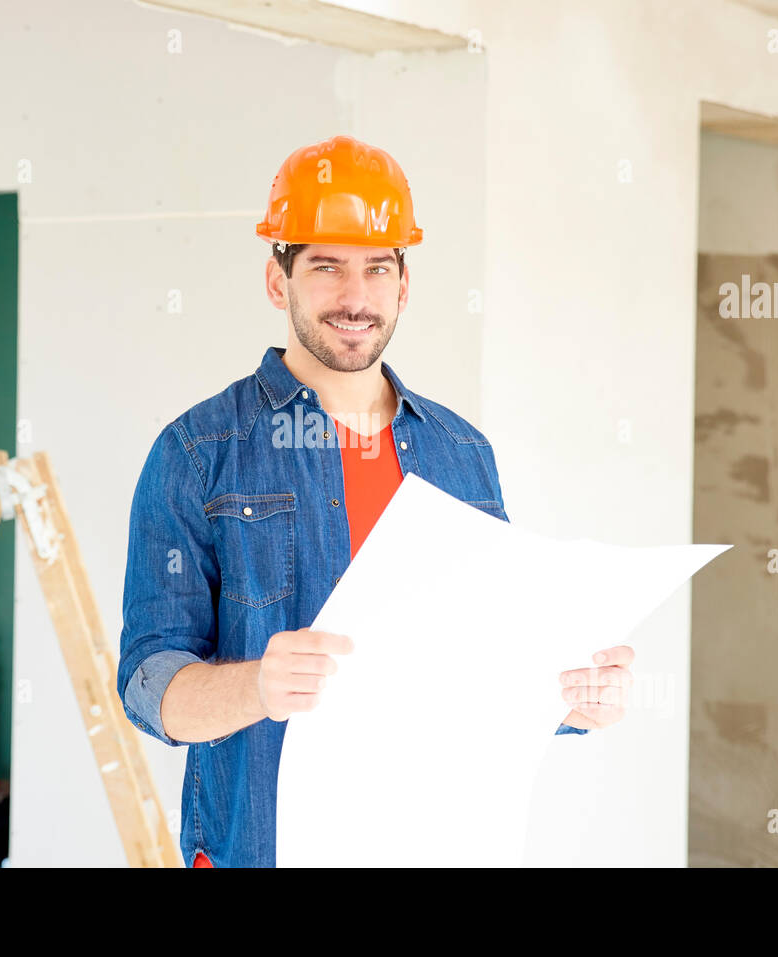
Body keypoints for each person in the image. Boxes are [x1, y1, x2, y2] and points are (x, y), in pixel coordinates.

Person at [117, 135, 634, 868]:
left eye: (377, 268)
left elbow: (488, 663)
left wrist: (570, 703)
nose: (355, 298)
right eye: (325, 266)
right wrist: (258, 686)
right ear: (278, 280)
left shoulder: (461, 456)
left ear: (404, 283)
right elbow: (147, 684)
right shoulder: (198, 453)